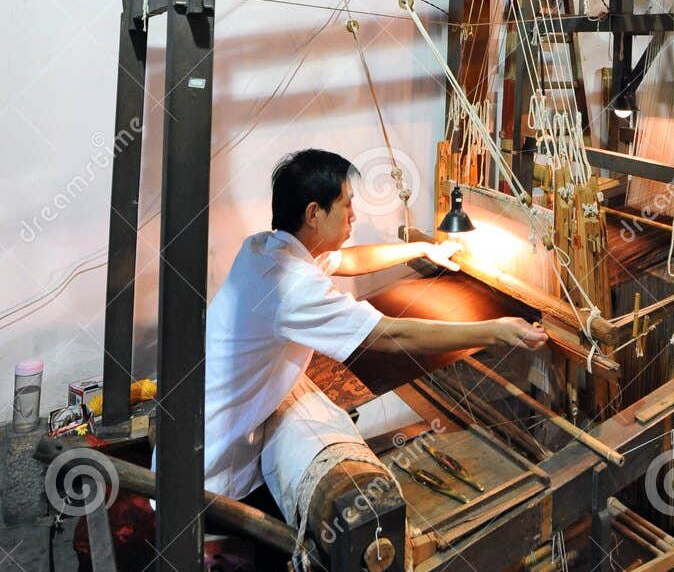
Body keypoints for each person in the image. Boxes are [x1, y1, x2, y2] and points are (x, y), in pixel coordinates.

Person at [203, 148, 546, 503]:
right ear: (314, 214)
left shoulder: (265, 248)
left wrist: (420, 250)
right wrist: (495, 330)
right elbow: (389, 334)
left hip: (207, 433)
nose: (354, 216)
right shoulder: (292, 285)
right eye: (347, 205)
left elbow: (347, 259)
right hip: (214, 477)